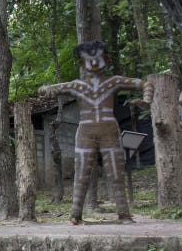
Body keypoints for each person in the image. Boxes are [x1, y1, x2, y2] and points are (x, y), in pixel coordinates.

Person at [39, 41, 153, 224]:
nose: (93, 63)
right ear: (81, 63)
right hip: (85, 133)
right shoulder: (77, 86)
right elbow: (49, 90)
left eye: (97, 59)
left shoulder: (113, 82)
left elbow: (145, 84)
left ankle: (124, 214)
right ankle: (75, 215)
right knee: (81, 173)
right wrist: (46, 90)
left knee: (116, 173)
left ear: (106, 60)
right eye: (88, 60)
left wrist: (146, 100)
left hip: (109, 132)